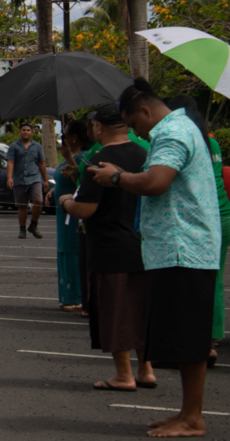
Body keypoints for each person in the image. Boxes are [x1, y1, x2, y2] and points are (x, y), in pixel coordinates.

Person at [91, 78, 219, 437]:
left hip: (184, 248)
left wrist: (116, 177)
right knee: (182, 337)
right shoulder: (180, 128)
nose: (136, 134)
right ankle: (186, 413)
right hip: (179, 248)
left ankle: (193, 418)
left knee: (190, 339)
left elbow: (156, 182)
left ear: (145, 111)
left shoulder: (172, 132)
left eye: (134, 125)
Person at [59, 103, 154, 392]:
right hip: (146, 244)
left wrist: (64, 201)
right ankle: (146, 369)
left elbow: (85, 208)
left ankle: (123, 375)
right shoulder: (145, 155)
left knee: (114, 310)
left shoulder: (98, 160)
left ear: (99, 127)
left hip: (110, 246)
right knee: (140, 309)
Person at [170, 95, 228, 368]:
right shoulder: (211, 140)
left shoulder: (183, 139)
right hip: (223, 213)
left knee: (198, 281)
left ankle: (203, 341)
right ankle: (211, 339)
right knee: (213, 279)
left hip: (204, 218)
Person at [45, 120, 88, 312]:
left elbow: (79, 180)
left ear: (75, 137)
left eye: (66, 135)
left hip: (74, 213)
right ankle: (67, 295)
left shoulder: (83, 157)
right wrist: (53, 192)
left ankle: (77, 297)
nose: (63, 139)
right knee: (64, 250)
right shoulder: (67, 156)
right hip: (62, 212)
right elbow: (62, 178)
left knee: (73, 250)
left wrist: (70, 157)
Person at [6, 122, 48, 239]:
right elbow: (10, 162)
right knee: (22, 206)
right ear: (20, 131)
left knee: (38, 201)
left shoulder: (37, 146)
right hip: (19, 179)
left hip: (34, 178)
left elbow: (41, 163)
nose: (26, 132)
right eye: (23, 130)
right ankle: (22, 229)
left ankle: (34, 225)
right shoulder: (14, 146)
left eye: (28, 130)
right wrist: (9, 177)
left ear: (32, 132)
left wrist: (45, 180)